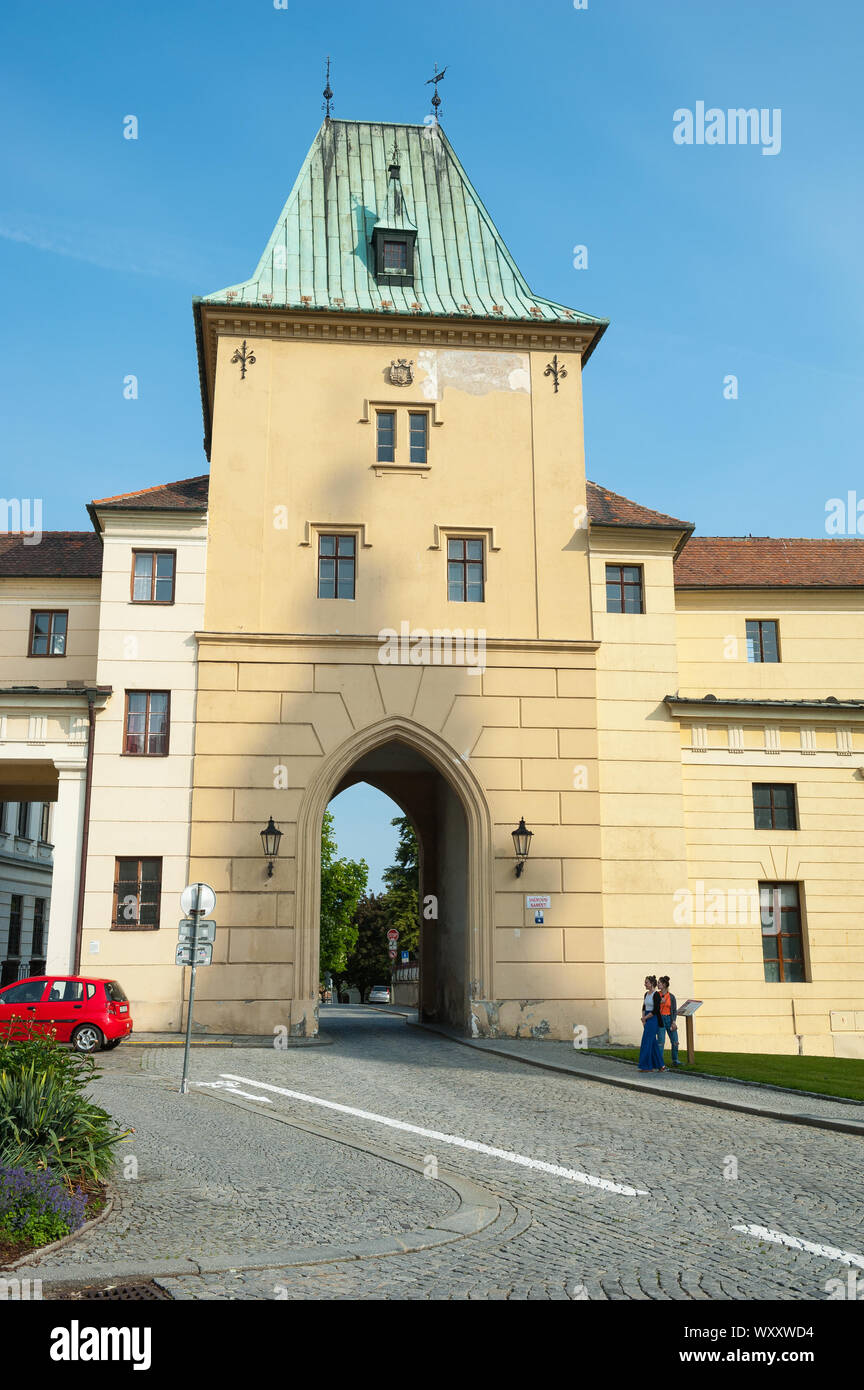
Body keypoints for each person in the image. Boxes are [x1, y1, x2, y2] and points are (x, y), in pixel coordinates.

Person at [638, 975, 666, 1072]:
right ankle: (661, 1065)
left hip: (653, 1019)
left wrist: (645, 1017)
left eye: (646, 982)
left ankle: (647, 1066)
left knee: (646, 1042)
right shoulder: (646, 994)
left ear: (651, 984)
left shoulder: (656, 995)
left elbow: (656, 1010)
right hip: (646, 1018)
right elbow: (644, 1007)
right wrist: (643, 1018)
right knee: (653, 1043)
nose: (645, 984)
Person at [657, 976, 680, 1067]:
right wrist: (659, 1003)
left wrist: (674, 1021)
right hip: (660, 1020)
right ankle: (660, 1063)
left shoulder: (671, 997)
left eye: (659, 983)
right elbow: (653, 1007)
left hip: (669, 1019)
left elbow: (674, 1010)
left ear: (664, 985)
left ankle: (675, 1060)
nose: (658, 985)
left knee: (675, 1041)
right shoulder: (656, 995)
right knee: (661, 1042)